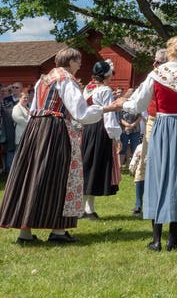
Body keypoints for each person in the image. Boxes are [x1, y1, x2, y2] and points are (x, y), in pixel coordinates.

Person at [0, 48, 122, 244]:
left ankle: (25, 232)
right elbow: (80, 113)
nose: (81, 65)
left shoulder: (44, 79)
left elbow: (34, 109)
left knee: (31, 176)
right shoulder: (66, 79)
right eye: (79, 61)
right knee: (59, 177)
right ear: (71, 61)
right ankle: (57, 231)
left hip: (35, 129)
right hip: (54, 131)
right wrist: (110, 107)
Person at [122, 35, 177, 250]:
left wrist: (124, 104)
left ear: (169, 50)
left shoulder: (157, 73)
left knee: (157, 177)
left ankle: (156, 239)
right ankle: (172, 239)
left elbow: (139, 102)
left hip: (161, 126)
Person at [81, 60, 122, 219]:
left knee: (87, 165)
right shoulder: (105, 90)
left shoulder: (88, 88)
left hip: (87, 128)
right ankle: (89, 209)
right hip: (100, 128)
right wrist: (116, 136)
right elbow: (109, 114)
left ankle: (85, 206)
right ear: (106, 75)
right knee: (95, 166)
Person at [132, 48, 167, 217]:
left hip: (169, 121)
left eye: (158, 62)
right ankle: (139, 202)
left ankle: (163, 199)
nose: (154, 64)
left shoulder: (173, 77)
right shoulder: (151, 77)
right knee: (145, 159)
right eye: (155, 61)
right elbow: (139, 98)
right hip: (153, 120)